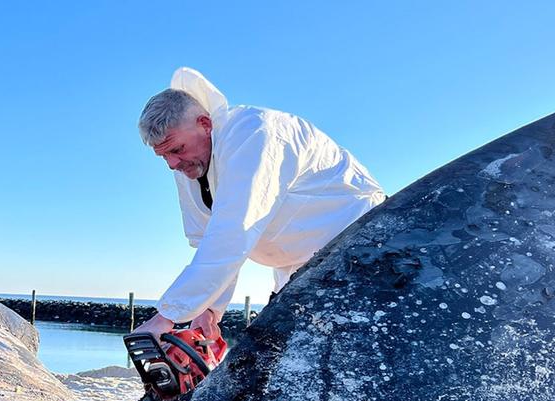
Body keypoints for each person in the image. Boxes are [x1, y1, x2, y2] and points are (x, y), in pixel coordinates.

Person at [133, 68, 386, 342]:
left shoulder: (253, 133)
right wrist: (208, 309)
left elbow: (234, 230)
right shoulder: (189, 165)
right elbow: (208, 241)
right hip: (297, 266)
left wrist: (166, 317)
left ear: (205, 123)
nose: (172, 163)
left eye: (177, 149)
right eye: (164, 157)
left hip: (360, 244)